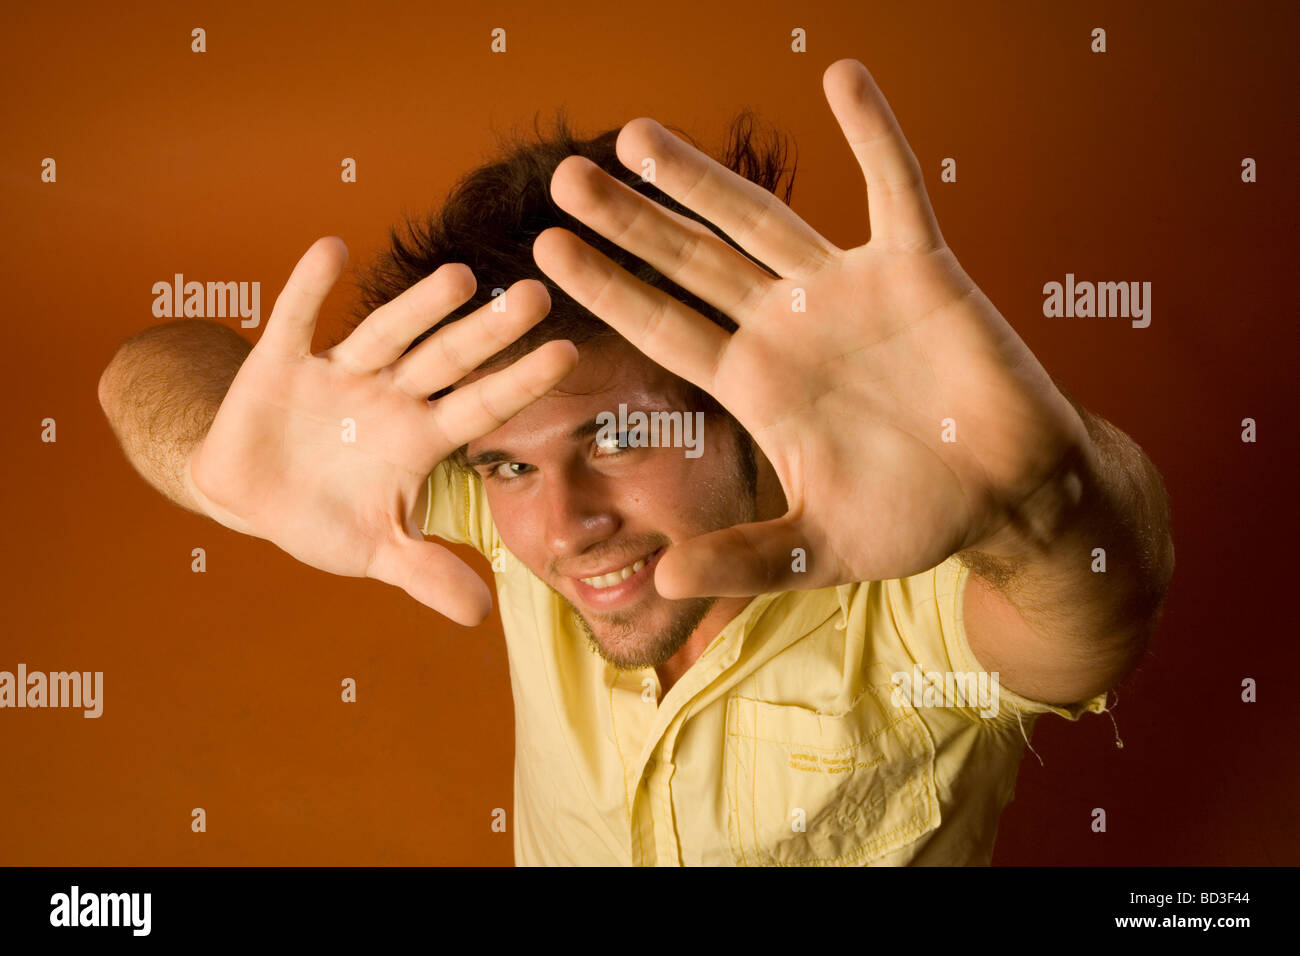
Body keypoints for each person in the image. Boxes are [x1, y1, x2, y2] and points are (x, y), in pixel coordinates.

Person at [98, 58, 1174, 865]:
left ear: (743, 411)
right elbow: (146, 366)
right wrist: (210, 461)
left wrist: (1041, 503)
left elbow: (1093, 618)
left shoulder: (912, 570)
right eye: (506, 466)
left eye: (616, 438)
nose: (562, 529)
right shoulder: (512, 499)